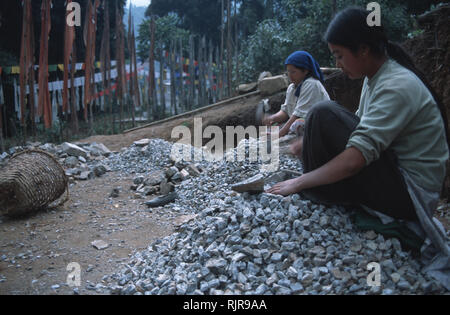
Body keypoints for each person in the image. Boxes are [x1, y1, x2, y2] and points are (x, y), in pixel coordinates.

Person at [266, 7, 449, 223]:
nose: (337, 64)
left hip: (410, 198)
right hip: (395, 177)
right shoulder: (374, 79)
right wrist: (307, 143)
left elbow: (356, 158)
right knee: (320, 118)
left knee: (322, 112)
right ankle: (324, 188)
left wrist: (300, 182)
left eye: (339, 56)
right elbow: (357, 127)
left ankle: (323, 191)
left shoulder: (396, 85)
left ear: (363, 50)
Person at [263, 51, 330, 140]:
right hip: (303, 123)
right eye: (288, 72)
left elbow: (297, 115)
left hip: (321, 125)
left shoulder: (311, 84)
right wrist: (272, 118)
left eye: (293, 72)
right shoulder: (292, 87)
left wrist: (278, 134)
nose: (290, 76)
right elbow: (286, 111)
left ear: (305, 71)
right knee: (275, 127)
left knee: (298, 124)